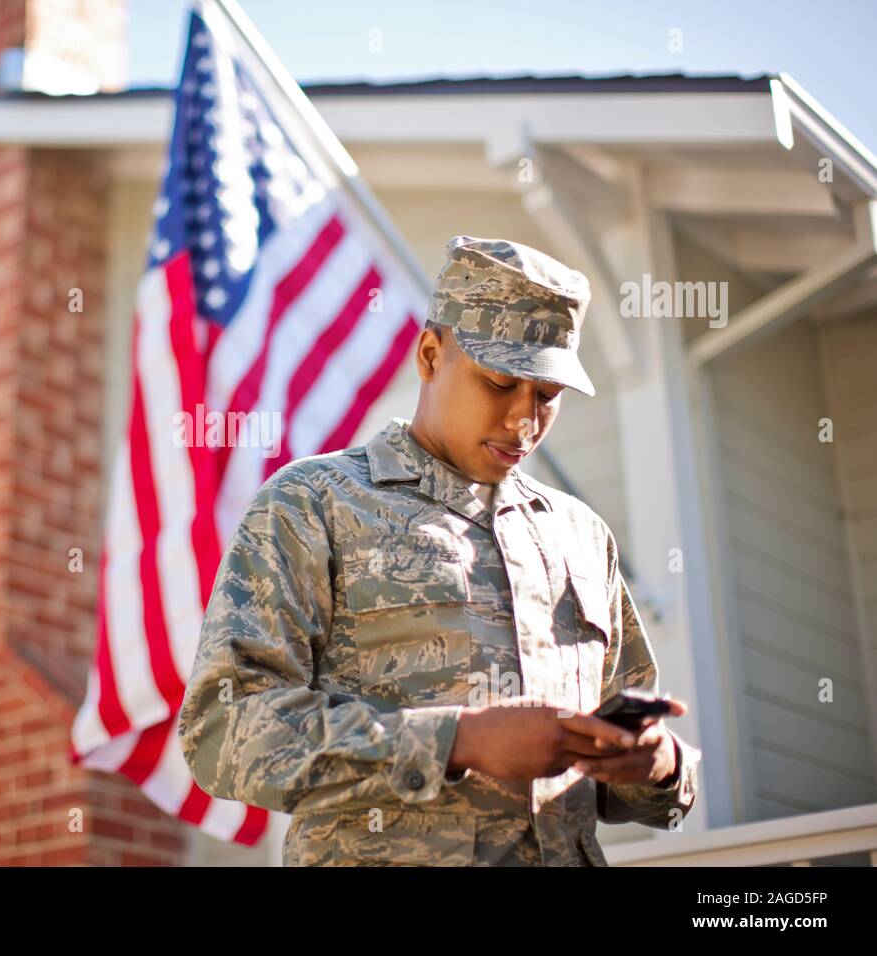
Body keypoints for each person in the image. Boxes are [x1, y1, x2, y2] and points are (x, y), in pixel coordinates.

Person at [176, 235, 702, 866]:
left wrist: (659, 764)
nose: (522, 421)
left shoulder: (582, 537)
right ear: (430, 354)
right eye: (500, 382)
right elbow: (222, 733)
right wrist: (457, 741)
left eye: (547, 395)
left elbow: (647, 799)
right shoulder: (312, 503)